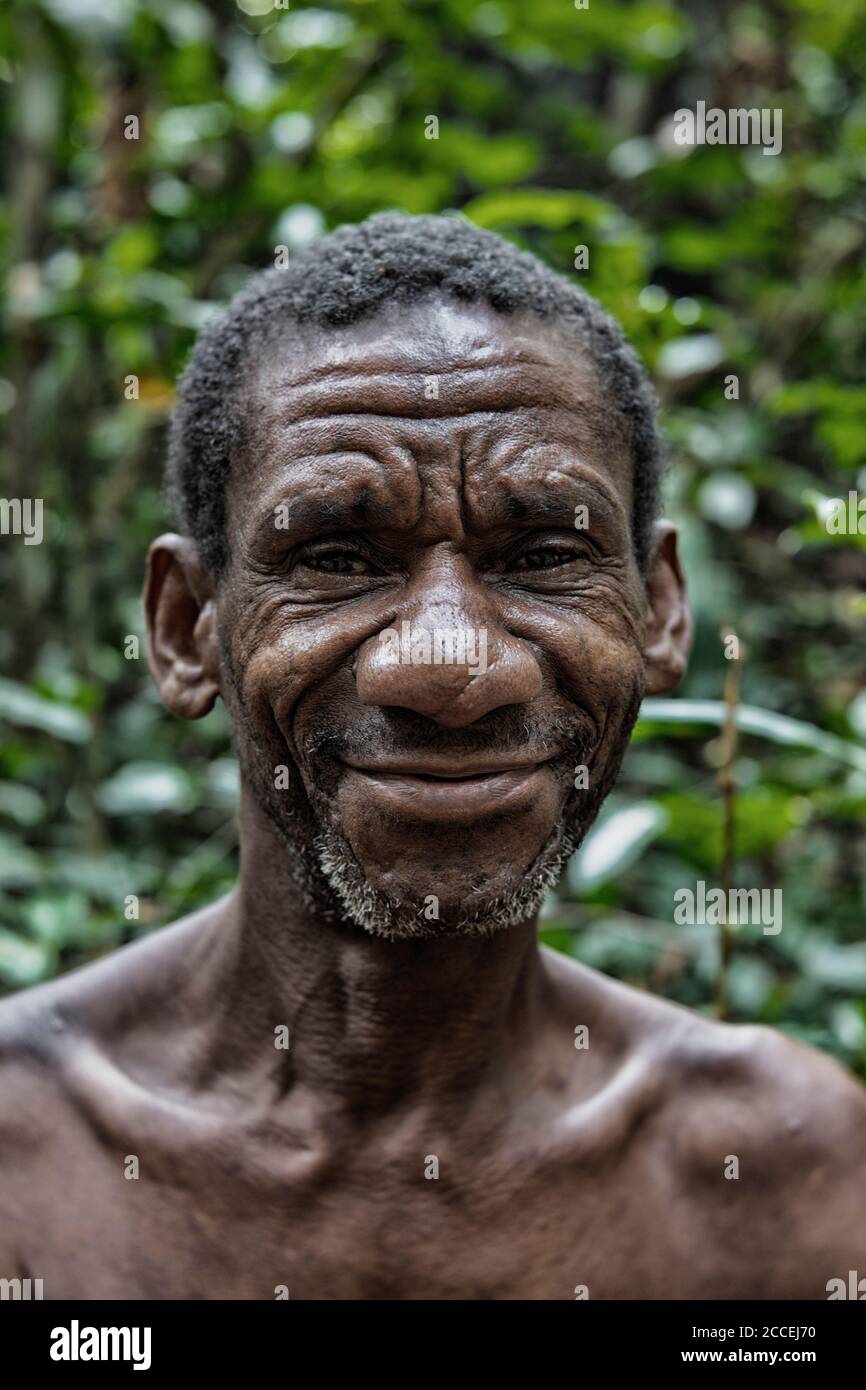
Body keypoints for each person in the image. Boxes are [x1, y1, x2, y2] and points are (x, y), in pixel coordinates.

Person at [1, 214, 863, 1300]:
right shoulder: (26, 1162)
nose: (450, 667)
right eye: (336, 557)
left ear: (657, 609)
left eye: (544, 554)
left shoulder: (776, 1168)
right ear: (185, 630)